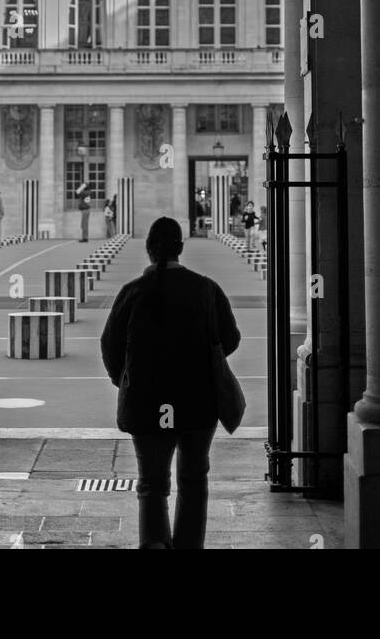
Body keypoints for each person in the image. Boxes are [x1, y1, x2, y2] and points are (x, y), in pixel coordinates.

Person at [100, 216, 241, 550]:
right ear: (181, 248)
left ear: (149, 249)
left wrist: (127, 381)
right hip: (198, 399)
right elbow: (231, 339)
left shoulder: (132, 291)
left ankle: (154, 545)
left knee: (151, 484)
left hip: (147, 401)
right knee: (193, 481)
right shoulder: (206, 288)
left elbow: (110, 346)